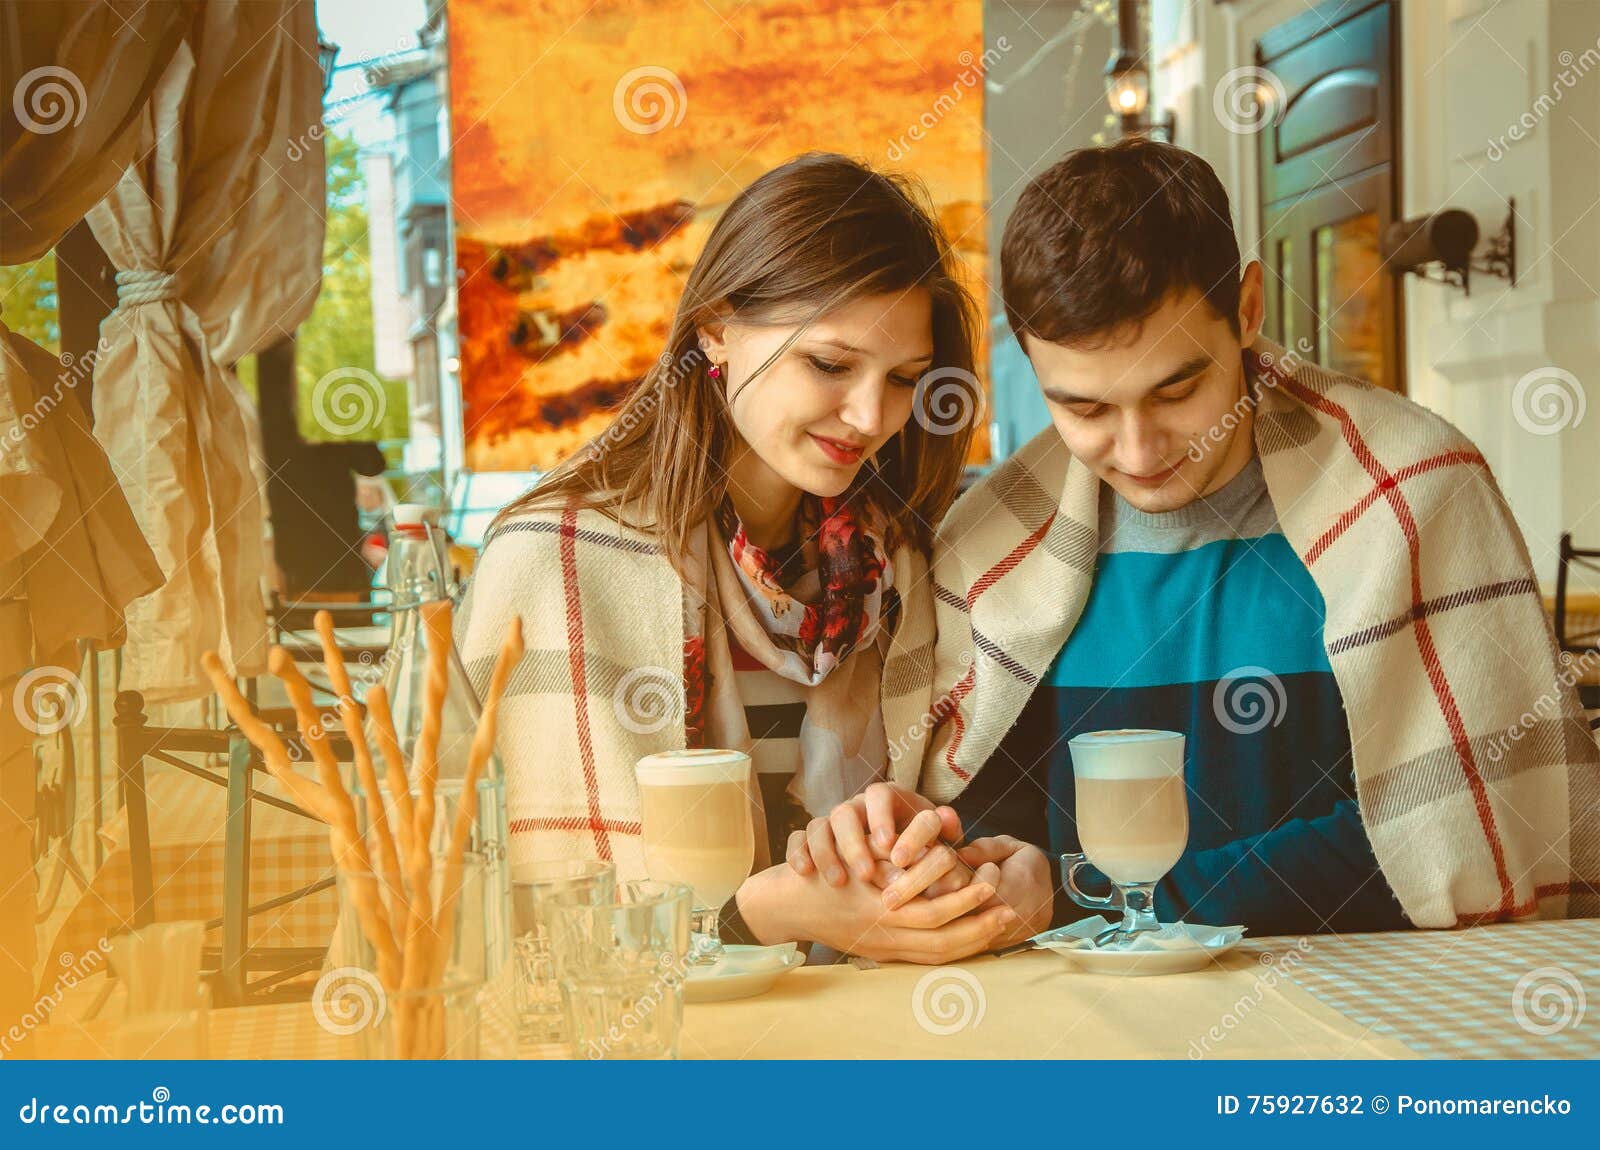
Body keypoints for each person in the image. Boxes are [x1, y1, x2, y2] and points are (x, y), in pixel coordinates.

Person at [794, 138, 1600, 936]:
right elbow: (997, 829)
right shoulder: (988, 540)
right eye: (1084, 409)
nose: (1140, 452)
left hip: (1361, 1014)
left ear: (1248, 310)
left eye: (1177, 389)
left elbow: (1450, 839)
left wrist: (1099, 898)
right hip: (1082, 1018)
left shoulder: (1420, 492)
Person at [456, 152, 1040, 963]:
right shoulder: (552, 562)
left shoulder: (899, 565)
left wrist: (986, 873)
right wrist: (769, 916)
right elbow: (536, 929)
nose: (871, 415)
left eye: (905, 378)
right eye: (830, 364)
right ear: (715, 330)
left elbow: (941, 824)